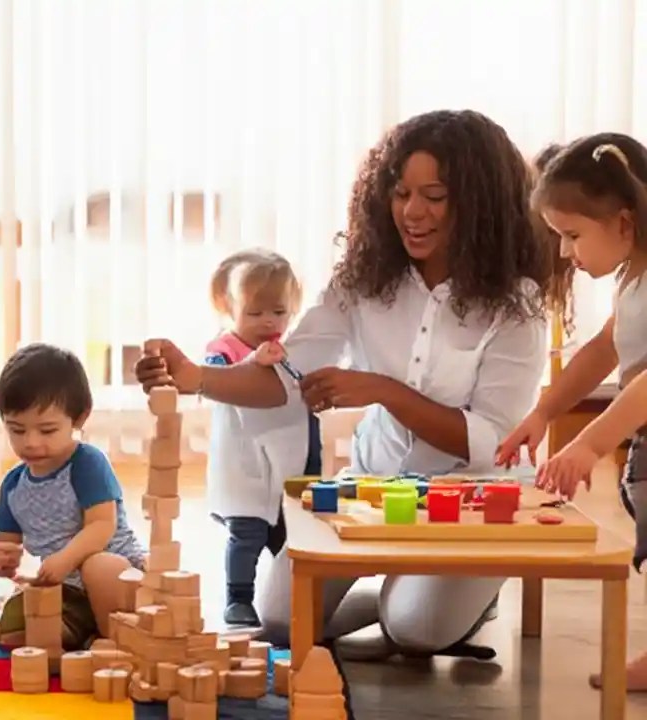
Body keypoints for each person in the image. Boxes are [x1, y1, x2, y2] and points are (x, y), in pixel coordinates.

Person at [134, 109, 558, 658]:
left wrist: (383, 391)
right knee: (280, 618)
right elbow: (288, 375)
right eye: (401, 192)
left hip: (473, 496)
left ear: (477, 202)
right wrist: (195, 377)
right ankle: (398, 599)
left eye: (434, 195)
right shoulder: (365, 278)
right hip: (376, 487)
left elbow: (490, 439)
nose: (412, 212)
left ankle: (451, 601)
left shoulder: (516, 305)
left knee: (416, 632)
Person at [496, 133, 647, 690]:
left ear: (625, 224)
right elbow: (604, 349)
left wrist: (588, 443)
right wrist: (543, 412)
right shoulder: (634, 280)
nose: (565, 253)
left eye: (572, 236)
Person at [0, 343, 147, 650]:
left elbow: (102, 527)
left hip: (117, 576)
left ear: (79, 418)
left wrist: (65, 559)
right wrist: (3, 560)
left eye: (47, 430)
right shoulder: (13, 485)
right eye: (17, 430)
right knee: (13, 632)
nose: (31, 443)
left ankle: (115, 642)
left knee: (97, 567)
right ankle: (83, 634)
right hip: (67, 591)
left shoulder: (86, 463)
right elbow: (7, 541)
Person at [201, 249, 317, 628]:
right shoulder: (223, 352)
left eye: (279, 312)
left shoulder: (291, 350)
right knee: (246, 532)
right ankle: (239, 597)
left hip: (288, 464)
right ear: (228, 306)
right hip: (245, 465)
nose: (269, 322)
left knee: (289, 535)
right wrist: (251, 364)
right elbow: (214, 383)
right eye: (255, 313)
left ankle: (291, 596)